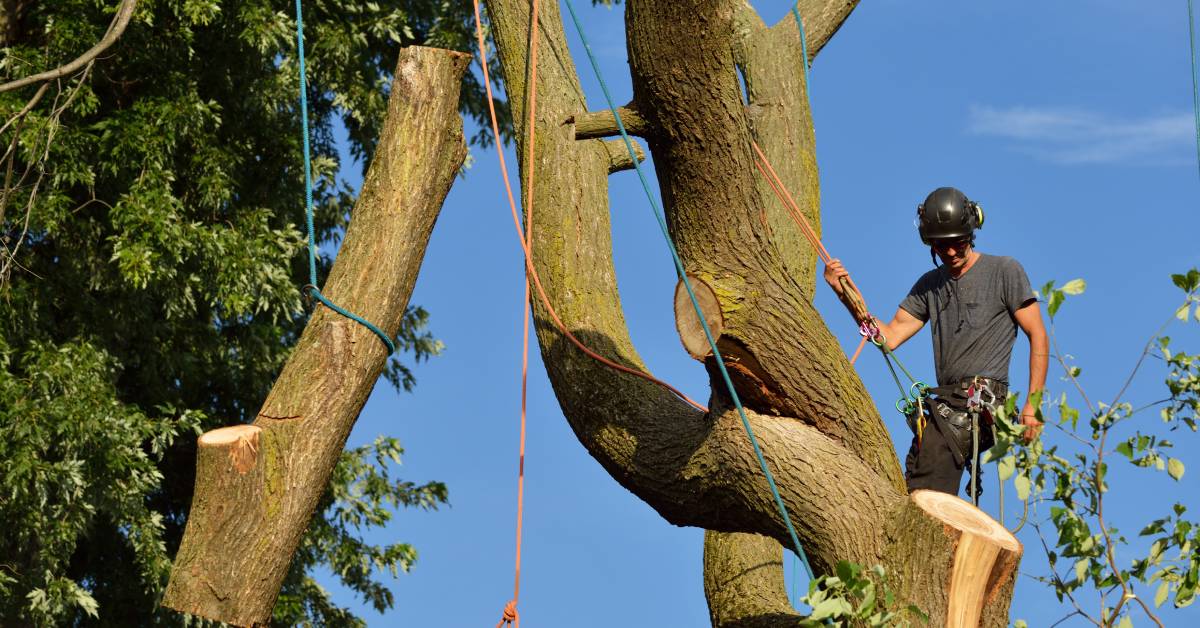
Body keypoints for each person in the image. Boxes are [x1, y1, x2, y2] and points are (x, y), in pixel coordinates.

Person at [823, 187, 1049, 501]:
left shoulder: (1004, 271)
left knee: (928, 487)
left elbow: (1038, 334)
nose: (951, 252)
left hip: (981, 402)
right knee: (914, 475)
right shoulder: (930, 285)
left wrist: (1033, 405)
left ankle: (929, 525)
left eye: (958, 243)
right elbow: (890, 336)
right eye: (942, 246)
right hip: (946, 404)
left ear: (971, 233)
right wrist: (844, 294)